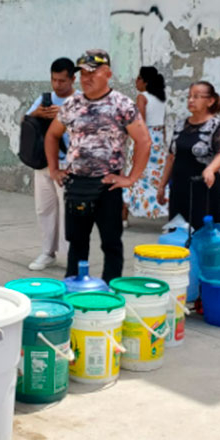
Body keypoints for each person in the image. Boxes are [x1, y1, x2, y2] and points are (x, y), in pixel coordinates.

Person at [45, 49, 151, 282]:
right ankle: (74, 290)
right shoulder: (72, 103)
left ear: (108, 73)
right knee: (77, 244)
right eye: (82, 73)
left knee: (111, 243)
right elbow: (52, 135)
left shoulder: (122, 104)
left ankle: (111, 293)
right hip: (76, 184)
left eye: (92, 73)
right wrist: (54, 170)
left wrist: (131, 178)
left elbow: (143, 141)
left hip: (107, 185)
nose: (86, 78)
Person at [25, 57, 76, 271]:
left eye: (62, 81)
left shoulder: (80, 101)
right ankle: (48, 252)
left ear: (73, 79)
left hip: (67, 164)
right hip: (43, 162)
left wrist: (64, 117)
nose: (57, 85)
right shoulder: (45, 99)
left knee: (68, 211)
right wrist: (36, 114)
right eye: (54, 80)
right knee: (44, 208)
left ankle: (72, 254)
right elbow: (25, 123)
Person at [157, 81, 220, 227]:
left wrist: (210, 169)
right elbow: (171, 157)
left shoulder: (218, 126)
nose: (191, 100)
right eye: (189, 96)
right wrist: (162, 185)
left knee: (201, 232)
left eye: (196, 97)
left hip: (202, 188)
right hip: (179, 187)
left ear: (210, 101)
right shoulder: (180, 124)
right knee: (177, 231)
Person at [126, 66, 168, 222]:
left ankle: (125, 217)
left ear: (145, 81)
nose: (136, 81)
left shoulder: (142, 97)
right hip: (158, 141)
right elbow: (162, 124)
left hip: (144, 138)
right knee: (157, 179)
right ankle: (164, 212)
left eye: (138, 78)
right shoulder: (161, 98)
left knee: (134, 176)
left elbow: (140, 123)